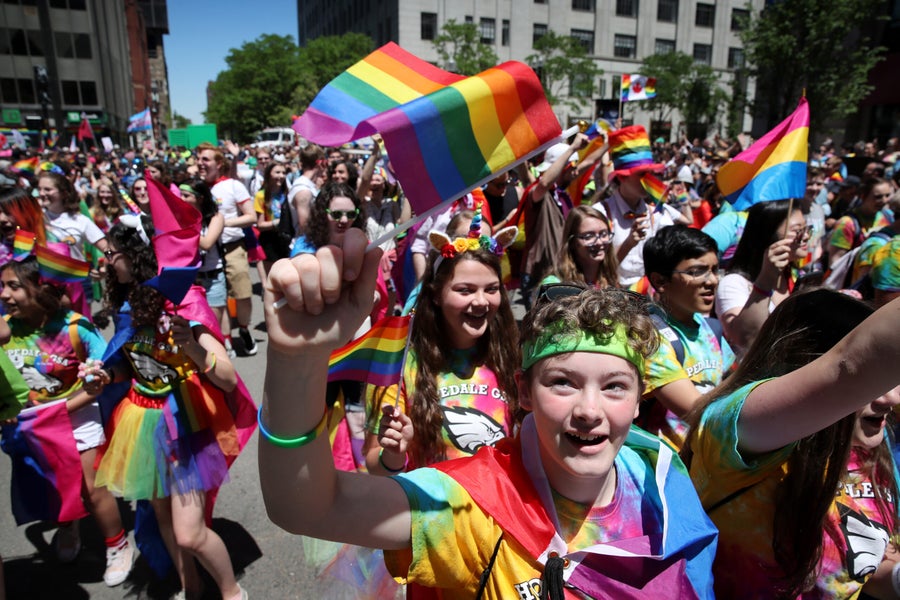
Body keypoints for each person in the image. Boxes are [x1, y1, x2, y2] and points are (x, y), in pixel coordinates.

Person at [259, 234, 718, 599]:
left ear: (640, 399)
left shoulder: (661, 479)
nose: (589, 411)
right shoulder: (475, 504)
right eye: (563, 382)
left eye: (615, 386)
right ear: (525, 391)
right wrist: (295, 362)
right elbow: (310, 507)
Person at [683, 290, 900, 598]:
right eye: (872, 382)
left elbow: (859, 569)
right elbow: (847, 367)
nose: (891, 398)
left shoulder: (870, 452)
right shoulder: (736, 429)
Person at [85, 220, 248, 600]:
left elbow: (227, 378)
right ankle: (191, 588)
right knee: (163, 518)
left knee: (190, 533)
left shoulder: (185, 303)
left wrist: (191, 346)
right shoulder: (128, 306)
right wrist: (105, 377)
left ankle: (232, 592)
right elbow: (129, 366)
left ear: (137, 255)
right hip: (141, 420)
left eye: (112, 254)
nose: (106, 261)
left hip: (185, 423)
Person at [0, 252, 134, 587]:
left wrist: (79, 397)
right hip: (34, 421)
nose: (4, 294)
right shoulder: (7, 328)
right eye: (2, 286)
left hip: (77, 412)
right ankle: (68, 525)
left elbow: (109, 374)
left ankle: (117, 543)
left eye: (14, 286)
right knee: (53, 482)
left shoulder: (77, 328)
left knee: (90, 488)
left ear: (41, 288)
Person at [365, 214, 521, 476]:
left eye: (491, 289)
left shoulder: (514, 356)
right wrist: (393, 454)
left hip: (501, 500)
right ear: (436, 294)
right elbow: (374, 464)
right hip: (429, 501)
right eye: (465, 290)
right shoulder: (397, 367)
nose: (481, 301)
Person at [638, 225, 734, 449]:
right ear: (660, 281)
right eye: (696, 271)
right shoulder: (650, 337)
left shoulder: (710, 327)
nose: (712, 281)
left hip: (708, 455)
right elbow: (695, 411)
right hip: (672, 463)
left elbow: (732, 381)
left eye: (715, 270)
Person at [714, 200, 810, 355]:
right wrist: (766, 280)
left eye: (806, 229)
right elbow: (746, 339)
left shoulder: (795, 276)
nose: (806, 236)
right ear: (768, 235)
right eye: (797, 231)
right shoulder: (733, 283)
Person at [592, 126, 677, 287]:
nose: (648, 180)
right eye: (642, 174)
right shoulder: (600, 213)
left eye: (651, 174)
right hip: (611, 294)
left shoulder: (657, 213)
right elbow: (596, 269)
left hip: (647, 294)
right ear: (622, 178)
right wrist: (629, 243)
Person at [196, 142, 258, 357]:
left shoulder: (232, 185)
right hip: (205, 253)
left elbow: (251, 216)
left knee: (242, 294)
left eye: (205, 159)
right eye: (198, 159)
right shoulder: (196, 187)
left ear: (219, 164)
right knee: (216, 298)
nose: (200, 163)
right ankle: (225, 338)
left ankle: (244, 329)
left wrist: (224, 224)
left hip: (232, 248)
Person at [37, 171, 110, 317]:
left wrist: (104, 267)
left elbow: (107, 249)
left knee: (79, 325)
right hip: (44, 284)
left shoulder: (80, 220)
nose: (42, 193)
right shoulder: (35, 218)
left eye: (48, 189)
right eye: (40, 189)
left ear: (63, 193)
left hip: (78, 281)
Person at [180, 179, 227, 326]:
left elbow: (207, 243)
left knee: (212, 326)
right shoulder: (181, 217)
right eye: (181, 195)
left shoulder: (216, 217)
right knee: (194, 326)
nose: (182, 199)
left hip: (213, 279)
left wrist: (184, 228)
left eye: (186, 196)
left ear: (200, 198)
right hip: (191, 279)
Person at [543, 205, 618, 289]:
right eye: (589, 236)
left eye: (603, 234)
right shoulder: (555, 285)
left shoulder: (610, 279)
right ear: (572, 241)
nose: (599, 242)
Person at [829, 177, 893, 266]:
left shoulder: (889, 216)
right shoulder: (847, 223)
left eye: (887, 195)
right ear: (863, 196)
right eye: (878, 197)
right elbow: (835, 261)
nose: (884, 201)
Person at [254, 161, 288, 277]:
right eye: (277, 172)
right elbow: (260, 225)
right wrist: (278, 222)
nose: (281, 176)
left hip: (286, 237)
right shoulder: (261, 195)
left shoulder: (287, 193)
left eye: (283, 173)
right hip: (270, 239)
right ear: (269, 174)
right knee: (272, 275)